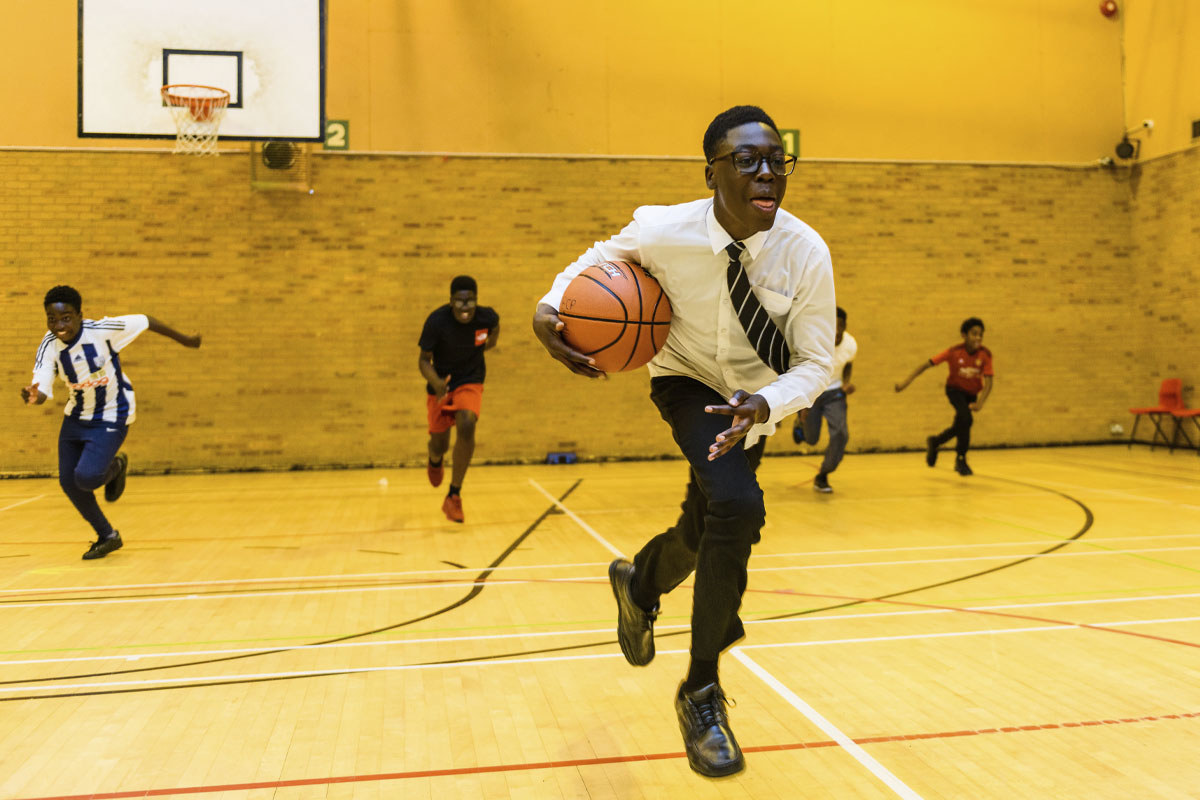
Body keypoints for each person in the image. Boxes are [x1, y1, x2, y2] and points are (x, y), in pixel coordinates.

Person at [532, 105, 835, 778]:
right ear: (713, 173)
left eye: (777, 160)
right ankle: (701, 691)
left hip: (755, 400)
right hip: (690, 384)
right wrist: (547, 309)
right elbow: (595, 261)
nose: (767, 173)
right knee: (739, 507)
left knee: (705, 526)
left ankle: (639, 584)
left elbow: (818, 363)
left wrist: (765, 403)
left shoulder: (805, 251)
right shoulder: (663, 229)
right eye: (748, 161)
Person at [20, 285, 202, 559]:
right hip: (77, 416)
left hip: (113, 412)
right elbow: (42, 383)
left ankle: (116, 467)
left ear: (80, 315)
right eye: (52, 319)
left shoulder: (104, 330)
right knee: (69, 482)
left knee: (88, 477)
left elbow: (146, 320)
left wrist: (185, 340)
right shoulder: (49, 346)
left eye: (66, 318)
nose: (59, 325)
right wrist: (36, 395)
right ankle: (108, 536)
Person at [418, 275, 500, 523]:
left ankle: (453, 496)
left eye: (470, 300)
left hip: (470, 379)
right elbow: (423, 360)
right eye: (460, 301)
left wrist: (475, 350)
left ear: (476, 300)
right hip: (441, 384)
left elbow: (492, 337)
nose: (465, 307)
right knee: (439, 444)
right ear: (451, 301)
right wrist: (436, 383)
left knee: (467, 423)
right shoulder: (436, 322)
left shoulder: (488, 318)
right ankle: (434, 459)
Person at [894, 317, 993, 476]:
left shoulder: (985, 355)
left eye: (981, 335)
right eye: (974, 334)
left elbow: (988, 382)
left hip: (971, 394)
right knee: (966, 419)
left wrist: (980, 403)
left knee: (961, 424)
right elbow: (925, 365)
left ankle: (935, 442)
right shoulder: (953, 352)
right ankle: (961, 460)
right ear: (964, 335)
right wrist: (905, 383)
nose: (978, 338)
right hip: (955, 390)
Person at [793, 305, 856, 492]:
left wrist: (846, 383)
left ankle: (823, 475)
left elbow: (848, 365)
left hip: (835, 394)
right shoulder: (816, 342)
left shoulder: (851, 344)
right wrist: (802, 404)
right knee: (811, 439)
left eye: (840, 327)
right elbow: (801, 370)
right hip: (813, 392)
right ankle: (800, 424)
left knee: (841, 434)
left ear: (845, 326)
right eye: (833, 327)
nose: (836, 332)